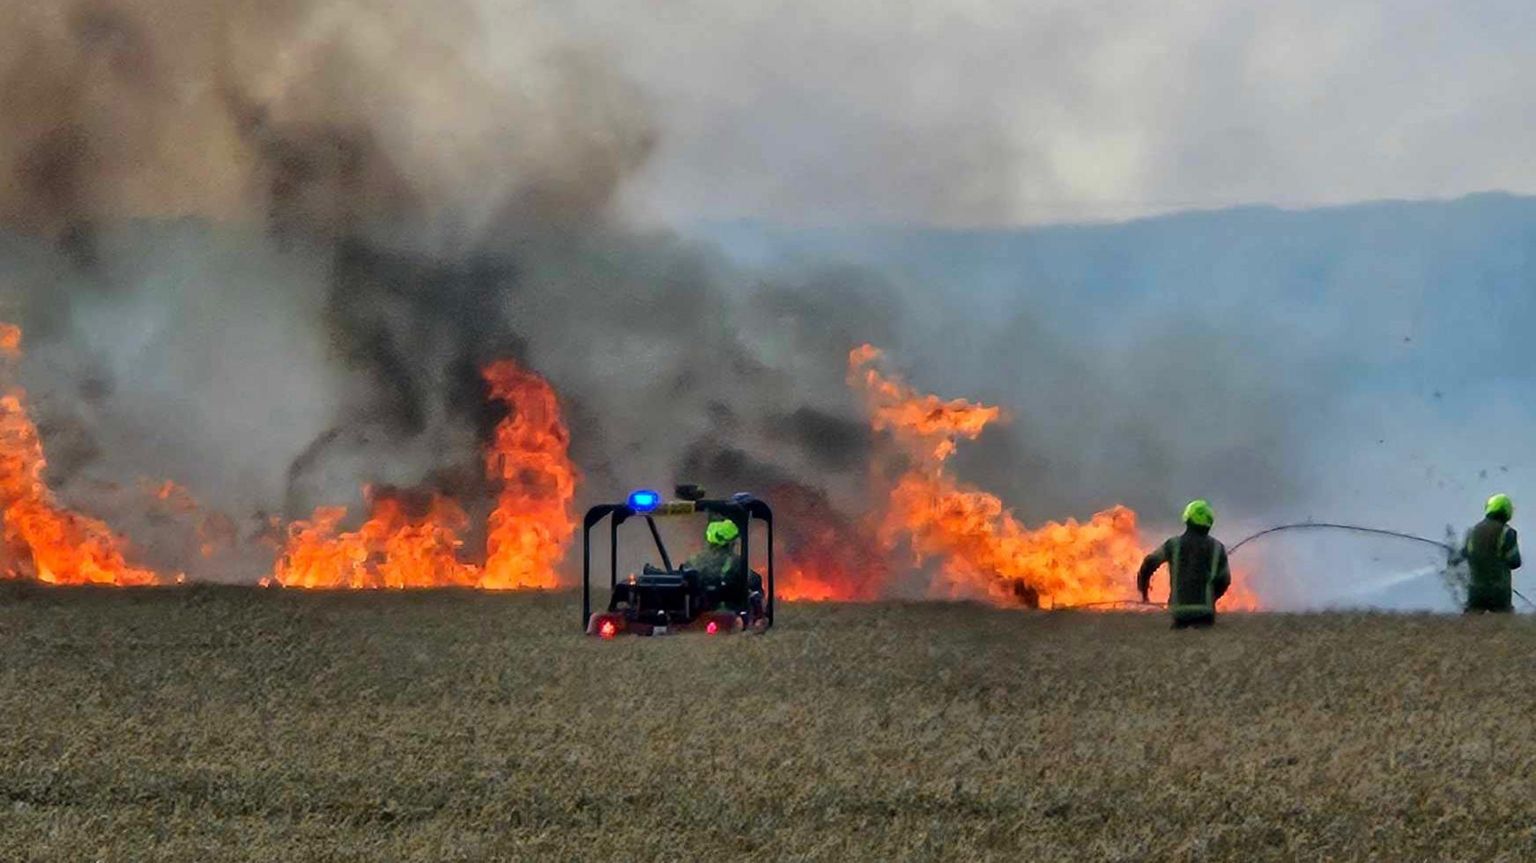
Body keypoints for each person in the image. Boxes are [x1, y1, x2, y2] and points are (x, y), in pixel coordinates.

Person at [1136, 499, 1232, 628]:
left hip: (1179, 611)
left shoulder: (1172, 545)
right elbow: (1224, 581)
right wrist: (1211, 598)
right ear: (1209, 523)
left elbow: (1149, 564)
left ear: (1187, 519)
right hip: (1205, 612)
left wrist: (1144, 591)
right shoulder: (1217, 547)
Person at [683, 519, 762, 614]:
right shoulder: (736, 564)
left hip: (695, 616)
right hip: (729, 616)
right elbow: (754, 582)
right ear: (730, 544)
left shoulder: (692, 562)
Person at [1462, 493, 1522, 613]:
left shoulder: (1472, 531)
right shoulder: (1508, 533)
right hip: (1499, 591)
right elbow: (1515, 562)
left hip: (1475, 589)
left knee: (1470, 625)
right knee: (1504, 626)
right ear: (1507, 512)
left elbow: (1465, 554)